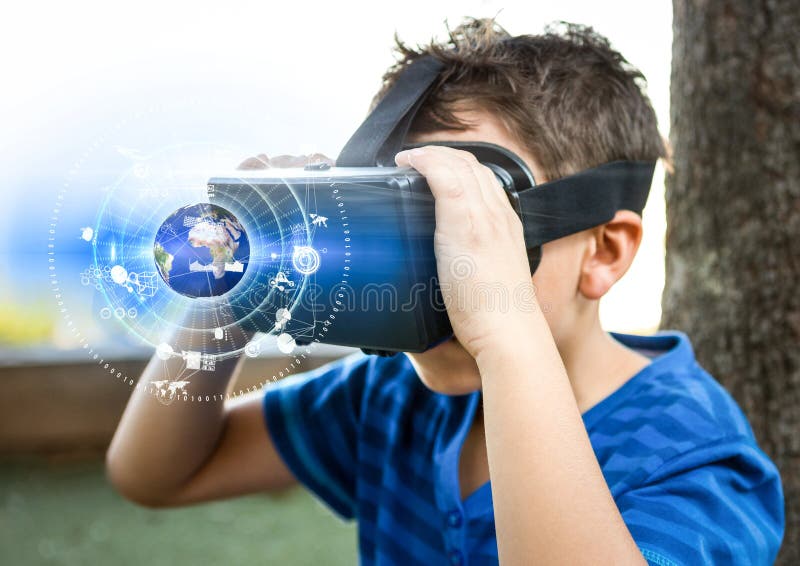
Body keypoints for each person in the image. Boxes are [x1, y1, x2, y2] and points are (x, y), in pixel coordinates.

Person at [106, 18, 784, 564]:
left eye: (463, 226)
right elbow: (158, 474)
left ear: (602, 251)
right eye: (398, 218)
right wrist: (231, 288)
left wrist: (505, 334)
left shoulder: (693, 460)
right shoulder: (392, 397)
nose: (429, 267)